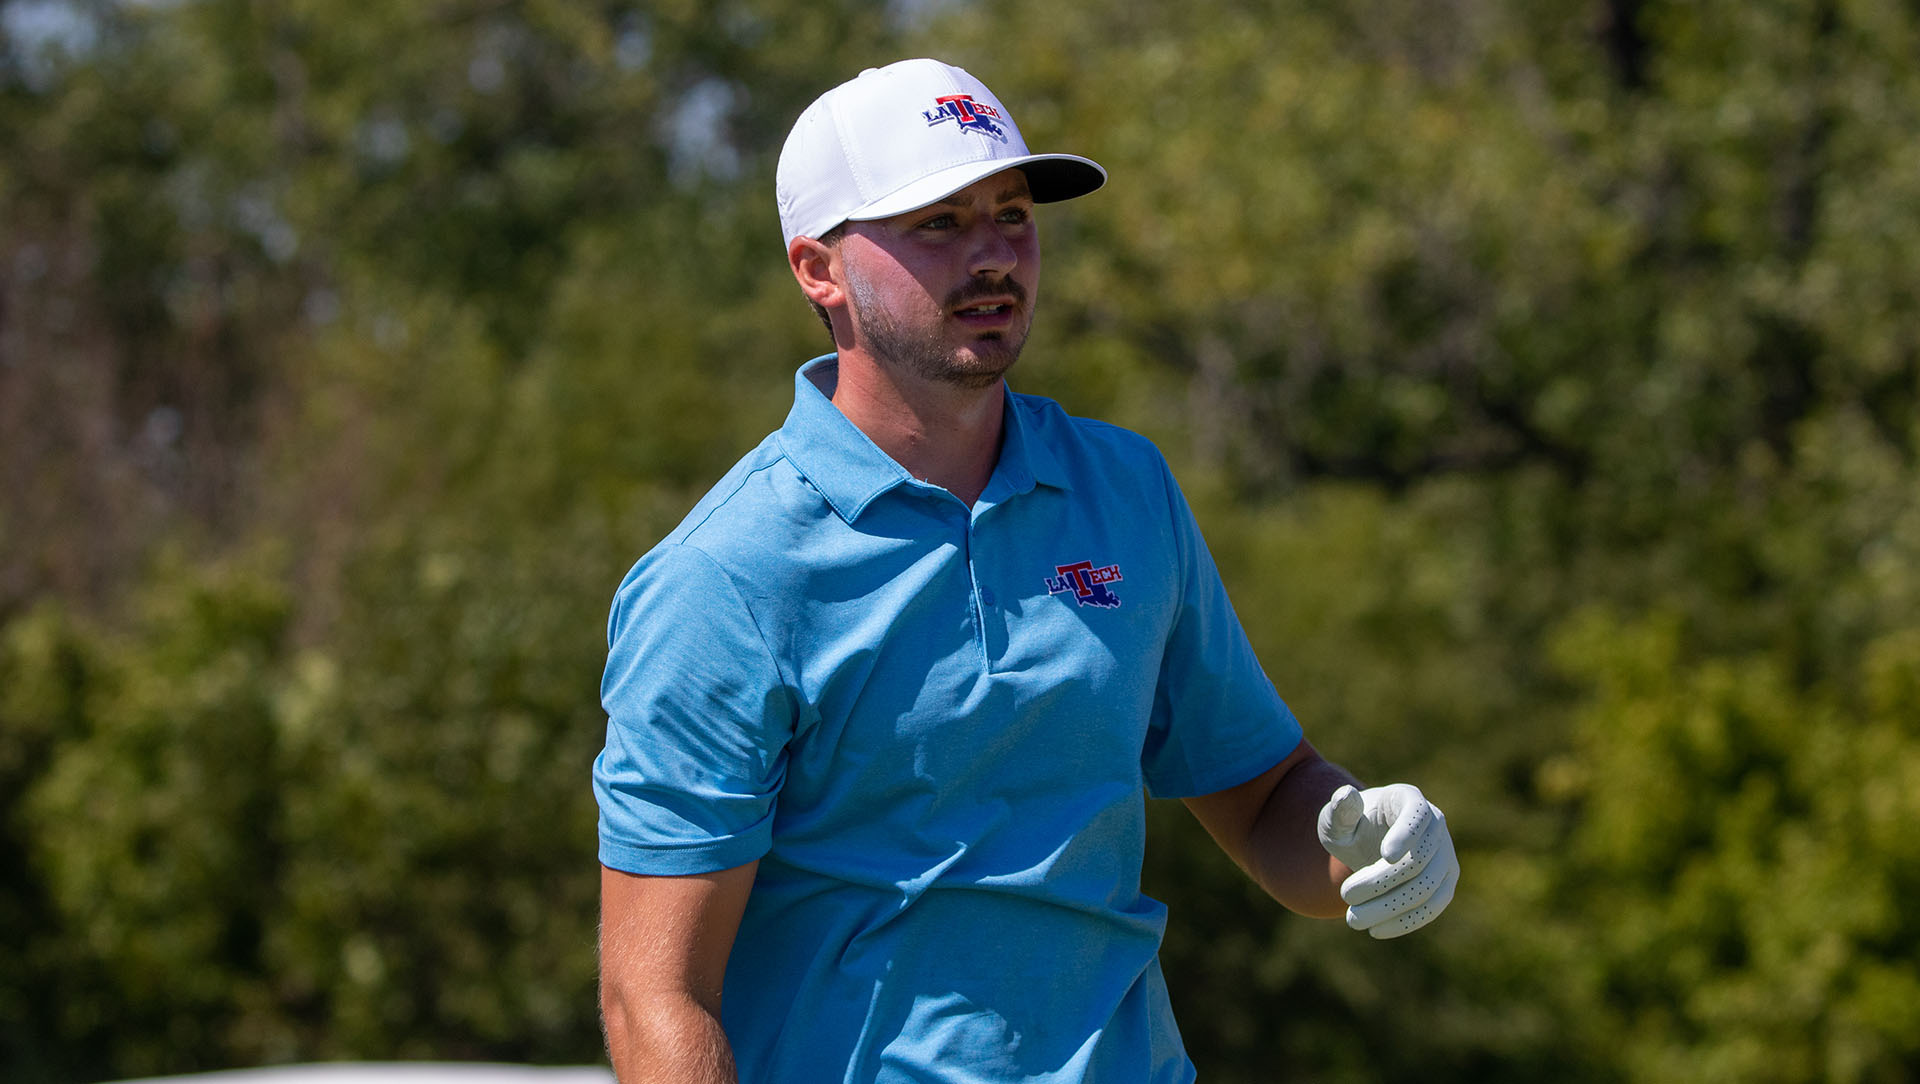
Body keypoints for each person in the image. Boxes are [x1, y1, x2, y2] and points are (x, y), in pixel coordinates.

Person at [592, 58, 1459, 1084]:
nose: (995, 256)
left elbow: (1266, 794)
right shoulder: (725, 577)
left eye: (1012, 215)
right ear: (818, 270)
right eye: (941, 226)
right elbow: (653, 996)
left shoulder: (1125, 490)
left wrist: (1362, 842)